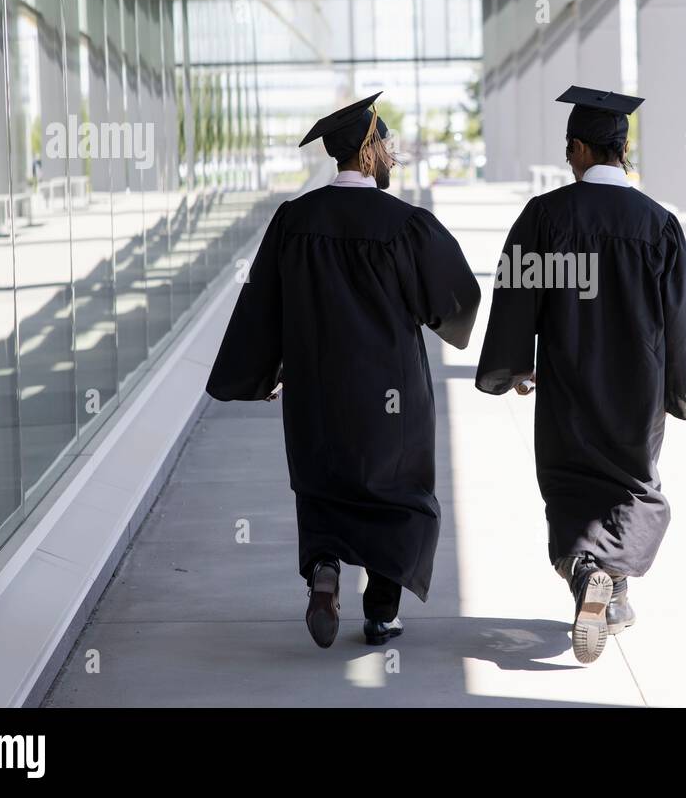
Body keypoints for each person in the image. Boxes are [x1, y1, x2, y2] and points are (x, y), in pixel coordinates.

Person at [206, 92, 481, 649]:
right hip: (391, 397)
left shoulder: (294, 220)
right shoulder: (405, 224)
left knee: (323, 486)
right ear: (365, 148)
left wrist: (261, 371)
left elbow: (263, 303)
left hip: (317, 389)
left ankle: (325, 570)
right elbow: (455, 298)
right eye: (383, 143)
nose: (389, 153)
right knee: (398, 495)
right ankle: (380, 614)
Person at [474, 85, 686, 664]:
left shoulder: (546, 216)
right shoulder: (659, 224)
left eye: (569, 148)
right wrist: (681, 392)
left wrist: (512, 367)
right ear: (621, 150)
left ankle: (585, 574)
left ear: (579, 147)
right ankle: (610, 584)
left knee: (570, 484)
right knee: (633, 488)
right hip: (637, 390)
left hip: (568, 385)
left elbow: (516, 293)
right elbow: (683, 318)